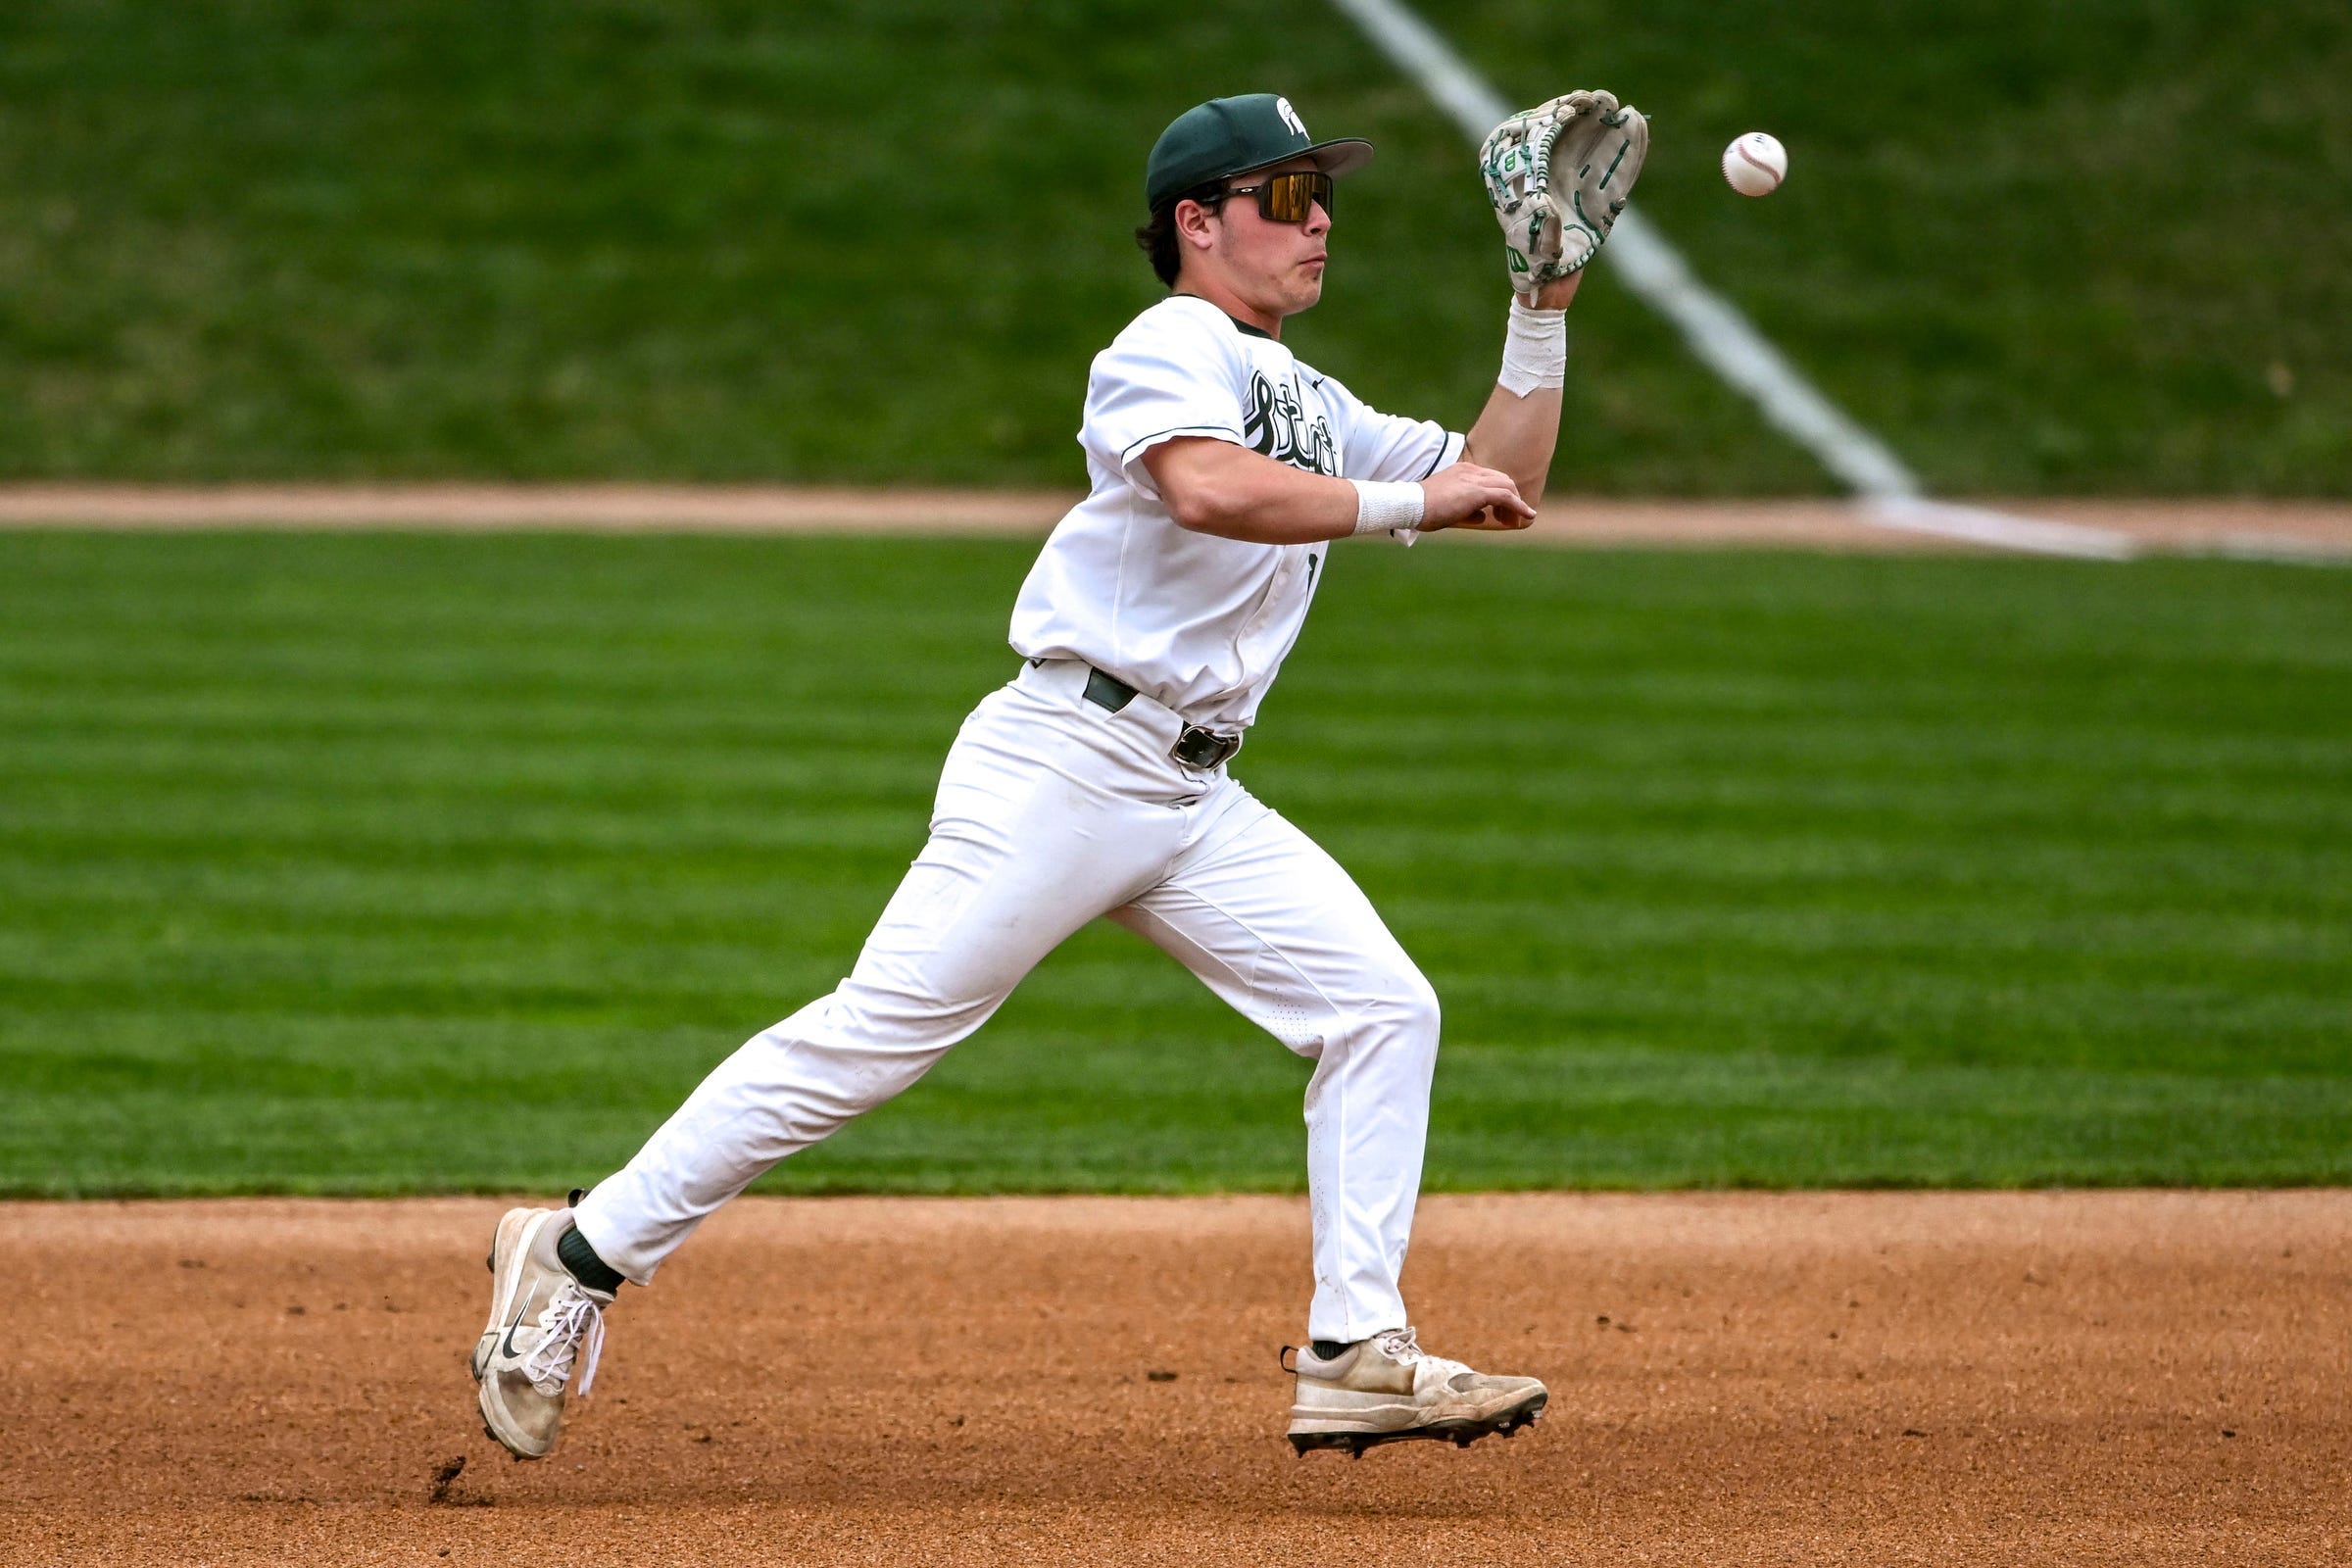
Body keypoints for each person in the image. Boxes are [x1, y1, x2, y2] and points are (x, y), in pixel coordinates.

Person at [471, 90, 1591, 1462]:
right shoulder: (1165, 346)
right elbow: (1207, 492)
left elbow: (1500, 482)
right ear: (1197, 223)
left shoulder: (1305, 395)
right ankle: (579, 1255)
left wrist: (1542, 302)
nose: (1321, 227)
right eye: (1288, 199)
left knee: (1381, 1008)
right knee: (874, 1038)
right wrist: (1416, 499)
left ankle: (1358, 1349)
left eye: (1327, 198)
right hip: (1068, 762)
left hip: (1191, 795)